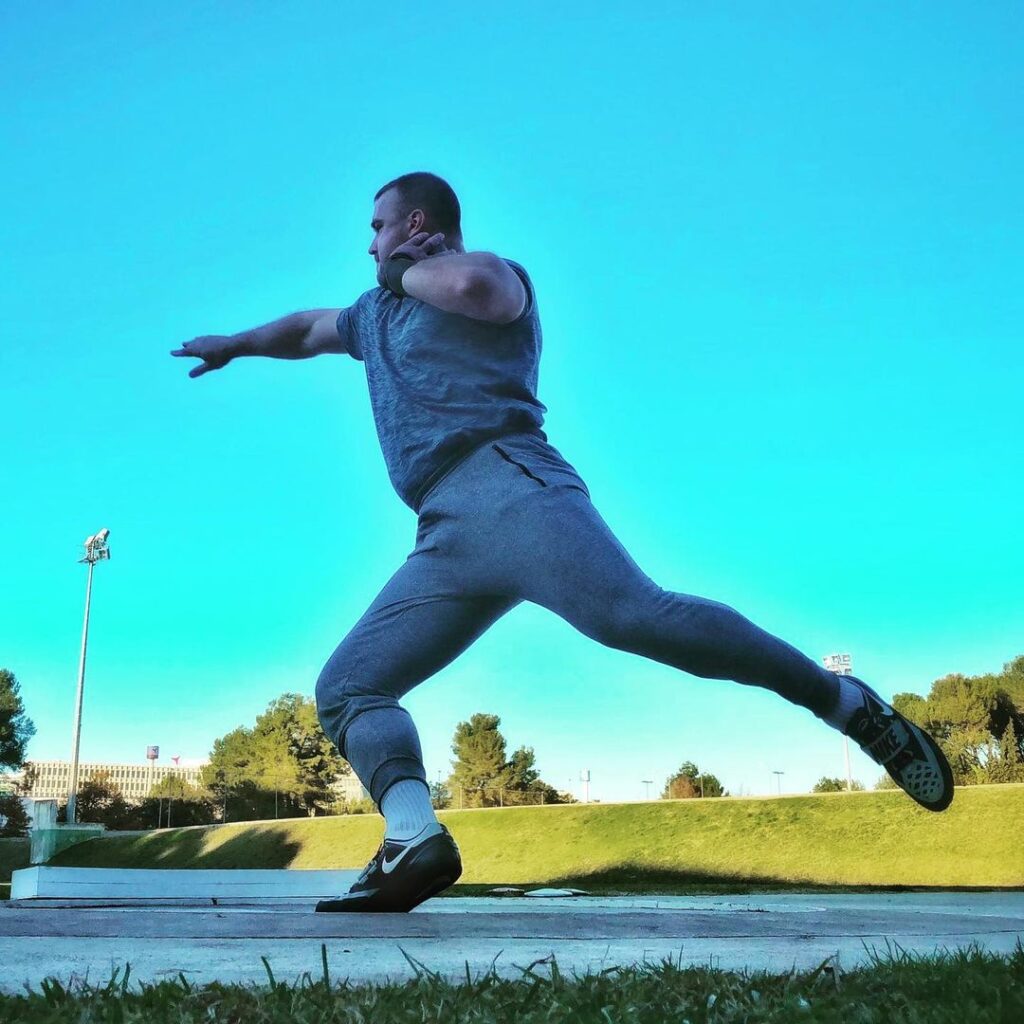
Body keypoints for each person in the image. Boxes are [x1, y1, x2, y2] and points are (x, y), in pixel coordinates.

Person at [172, 171, 954, 914]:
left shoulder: (483, 270)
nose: (368, 246)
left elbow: (481, 293)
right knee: (348, 688)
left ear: (417, 225)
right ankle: (413, 838)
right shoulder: (370, 314)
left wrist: (406, 275)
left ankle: (843, 703)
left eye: (377, 228)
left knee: (637, 617)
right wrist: (235, 344)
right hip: (442, 532)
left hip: (511, 484)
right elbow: (306, 329)